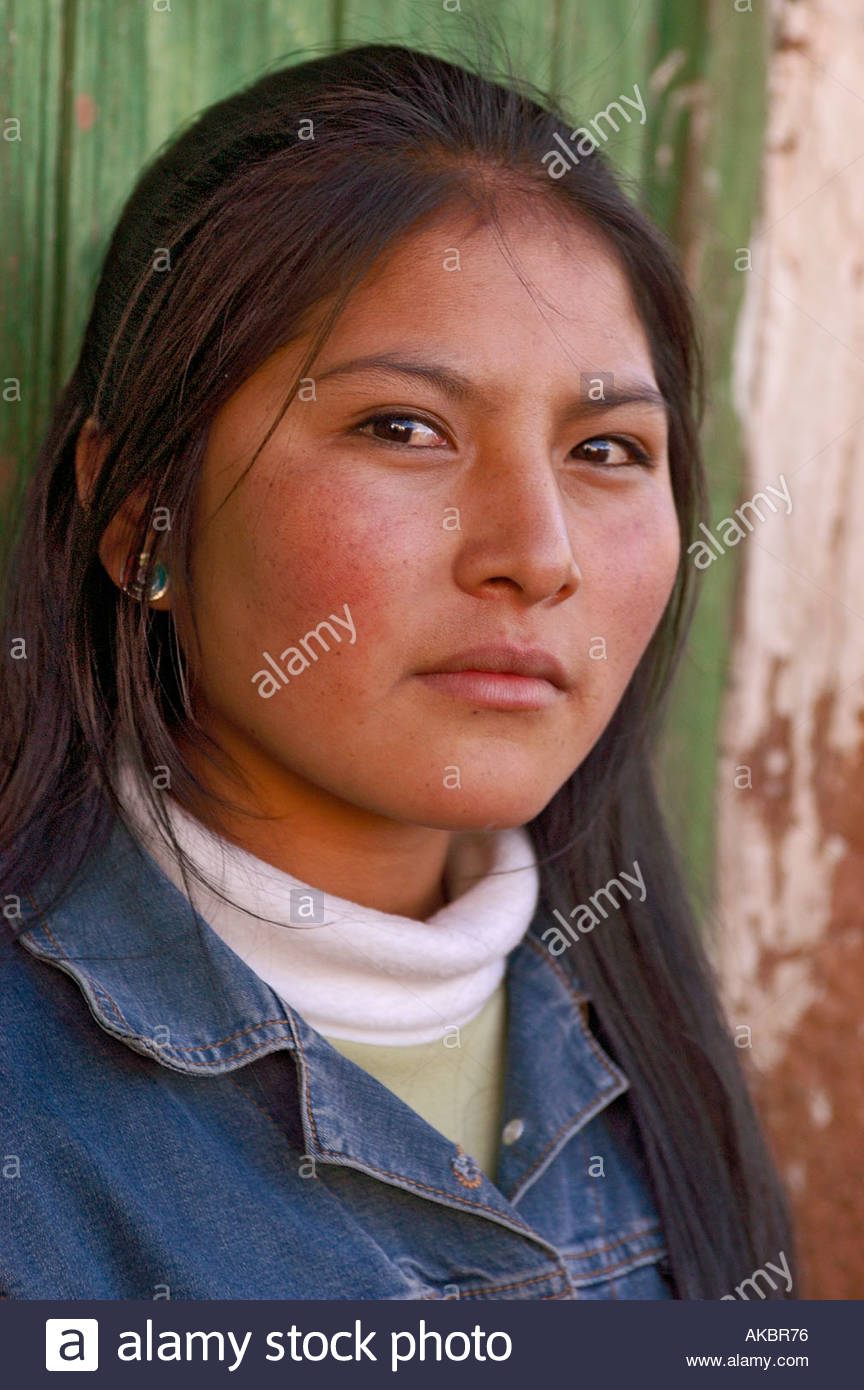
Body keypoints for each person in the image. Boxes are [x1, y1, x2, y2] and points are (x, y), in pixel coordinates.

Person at [0, 42, 795, 1300]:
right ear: (142, 511)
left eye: (606, 447)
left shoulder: (655, 1054)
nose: (537, 556)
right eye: (404, 428)